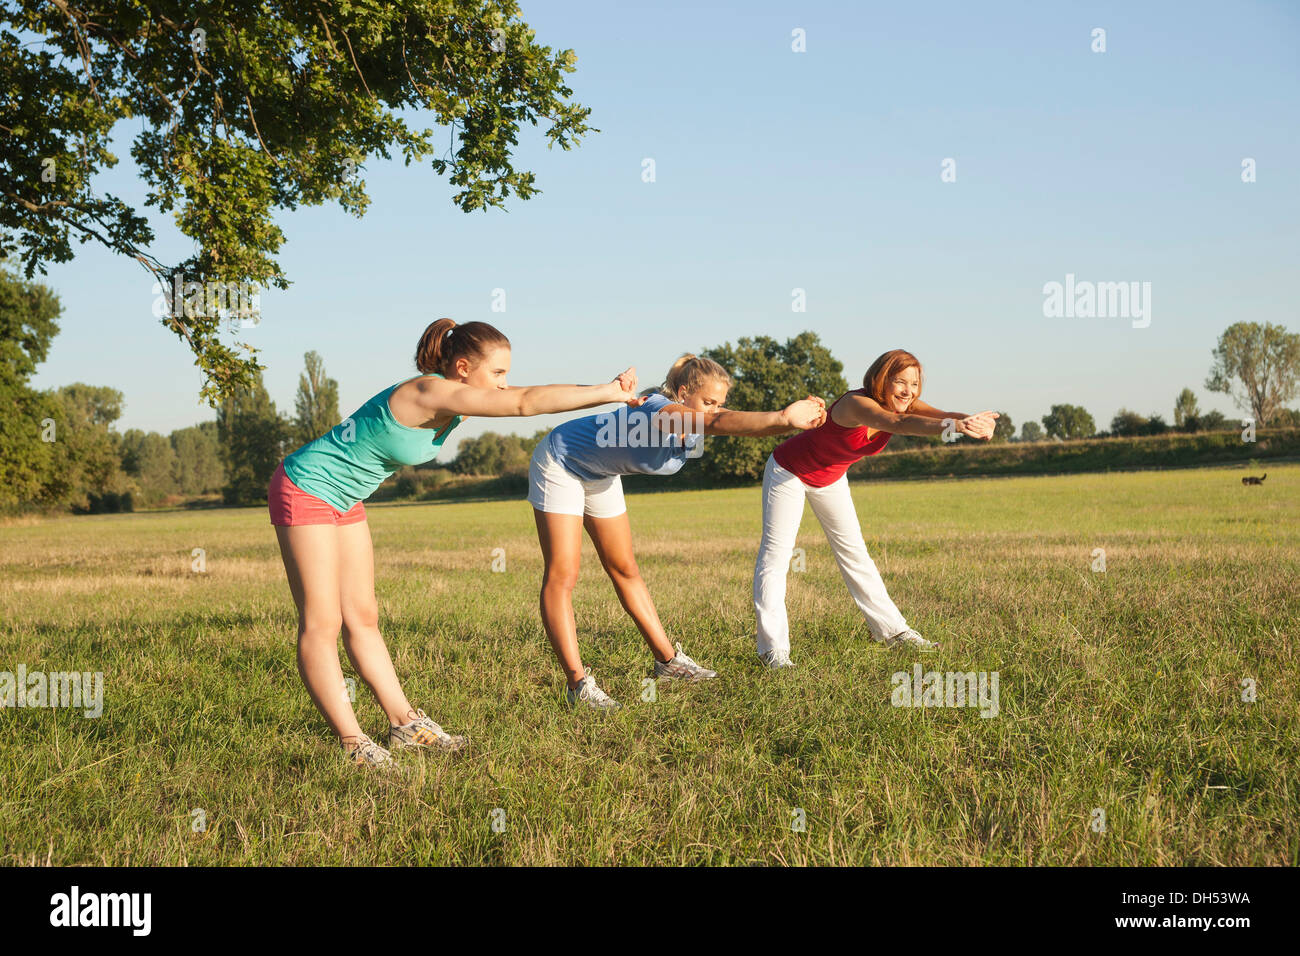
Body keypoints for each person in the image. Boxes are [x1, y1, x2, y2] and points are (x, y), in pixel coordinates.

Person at [269, 318, 643, 768]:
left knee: (363, 617)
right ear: (463, 368)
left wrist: (604, 388)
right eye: (498, 374)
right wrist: (609, 393)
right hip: (306, 486)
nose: (504, 384)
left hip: (346, 497)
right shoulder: (431, 392)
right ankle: (353, 742)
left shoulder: (460, 398)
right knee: (322, 622)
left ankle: (405, 724)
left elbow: (533, 392)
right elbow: (526, 404)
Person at [529, 353, 827, 710]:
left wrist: (794, 421)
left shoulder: (690, 429)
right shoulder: (657, 408)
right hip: (561, 461)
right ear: (683, 394)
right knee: (564, 574)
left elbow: (726, 423)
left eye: (718, 402)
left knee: (624, 568)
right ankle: (578, 686)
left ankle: (668, 663)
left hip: (599, 473)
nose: (713, 408)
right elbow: (718, 422)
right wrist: (781, 418)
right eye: (707, 401)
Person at [752, 348, 997, 668]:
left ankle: (894, 633)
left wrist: (971, 422)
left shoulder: (905, 403)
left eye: (915, 384)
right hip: (790, 471)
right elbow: (897, 422)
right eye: (900, 382)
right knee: (776, 556)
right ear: (882, 379)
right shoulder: (858, 404)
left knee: (855, 553)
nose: (908, 391)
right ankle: (774, 651)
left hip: (831, 477)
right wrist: (957, 427)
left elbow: (938, 415)